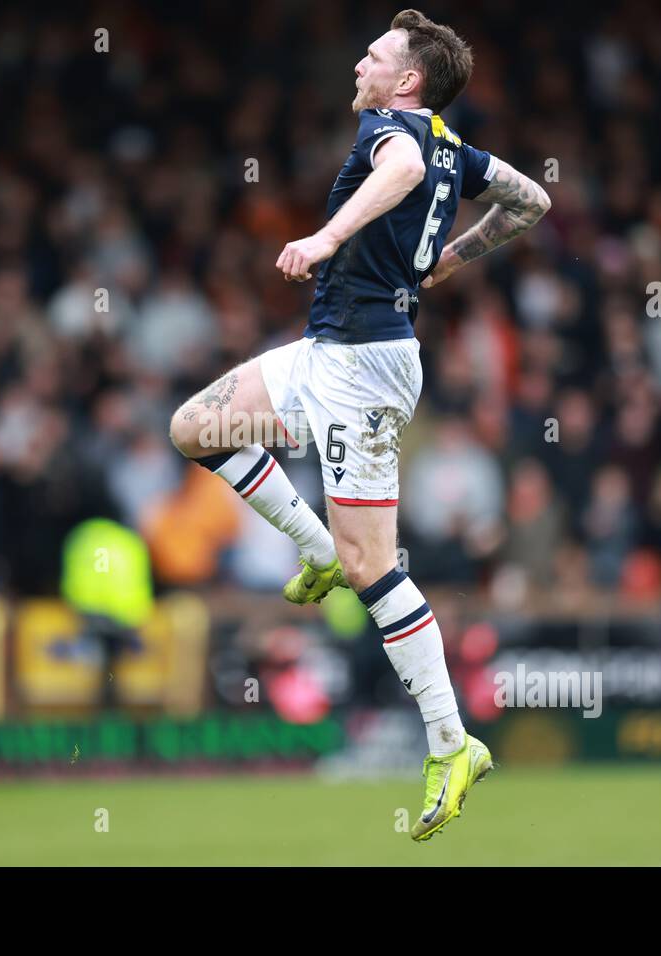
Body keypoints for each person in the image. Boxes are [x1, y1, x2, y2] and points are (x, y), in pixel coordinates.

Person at [168, 8, 550, 841]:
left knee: (371, 566)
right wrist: (444, 263)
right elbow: (531, 201)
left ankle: (452, 743)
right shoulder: (460, 147)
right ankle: (309, 546)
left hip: (365, 369)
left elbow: (407, 166)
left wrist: (327, 233)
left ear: (405, 80)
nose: (359, 65)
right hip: (328, 347)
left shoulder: (399, 132)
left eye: (373, 56)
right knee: (196, 427)